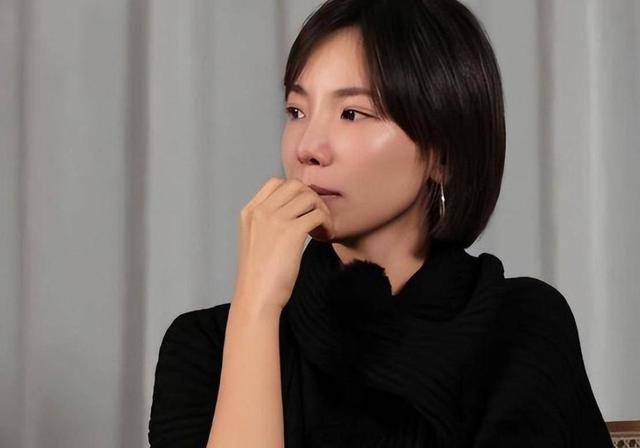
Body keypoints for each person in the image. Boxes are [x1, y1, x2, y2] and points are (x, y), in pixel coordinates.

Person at [148, 0, 613, 446]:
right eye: (296, 111)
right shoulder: (205, 346)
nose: (308, 148)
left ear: (442, 154)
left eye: (352, 114)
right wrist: (256, 309)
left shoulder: (521, 327)